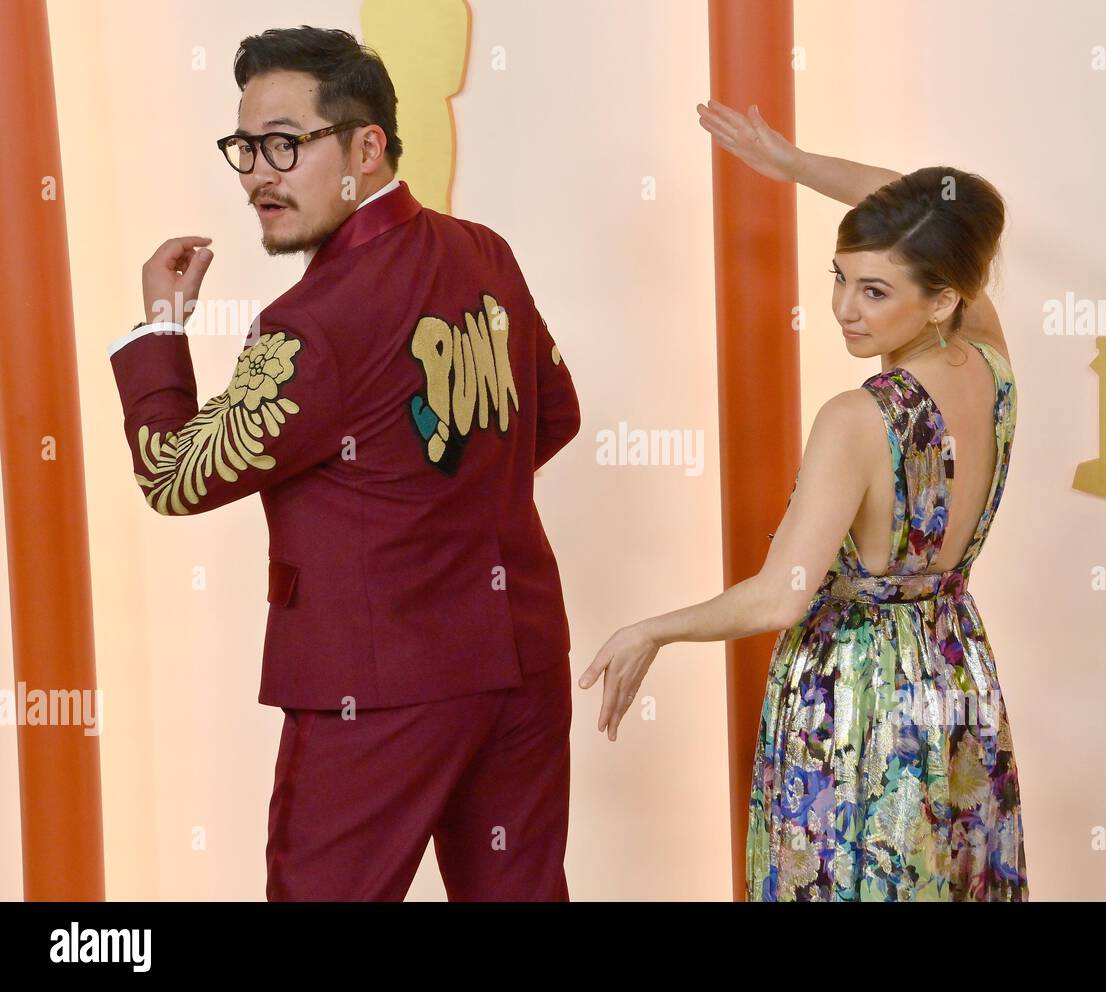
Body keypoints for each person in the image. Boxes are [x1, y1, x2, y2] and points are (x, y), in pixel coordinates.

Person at [107, 27, 580, 901]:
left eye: (285, 143)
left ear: (367, 146)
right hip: (521, 656)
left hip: (376, 688)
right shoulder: (484, 251)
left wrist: (161, 329)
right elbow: (554, 416)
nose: (257, 173)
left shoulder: (307, 326)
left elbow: (174, 475)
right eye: (244, 147)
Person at [579, 100, 1027, 901]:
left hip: (852, 699)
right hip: (956, 674)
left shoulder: (858, 417)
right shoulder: (988, 359)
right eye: (840, 279)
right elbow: (921, 205)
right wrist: (793, 167)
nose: (846, 310)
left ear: (938, 298)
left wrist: (652, 630)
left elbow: (780, 598)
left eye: (875, 291)